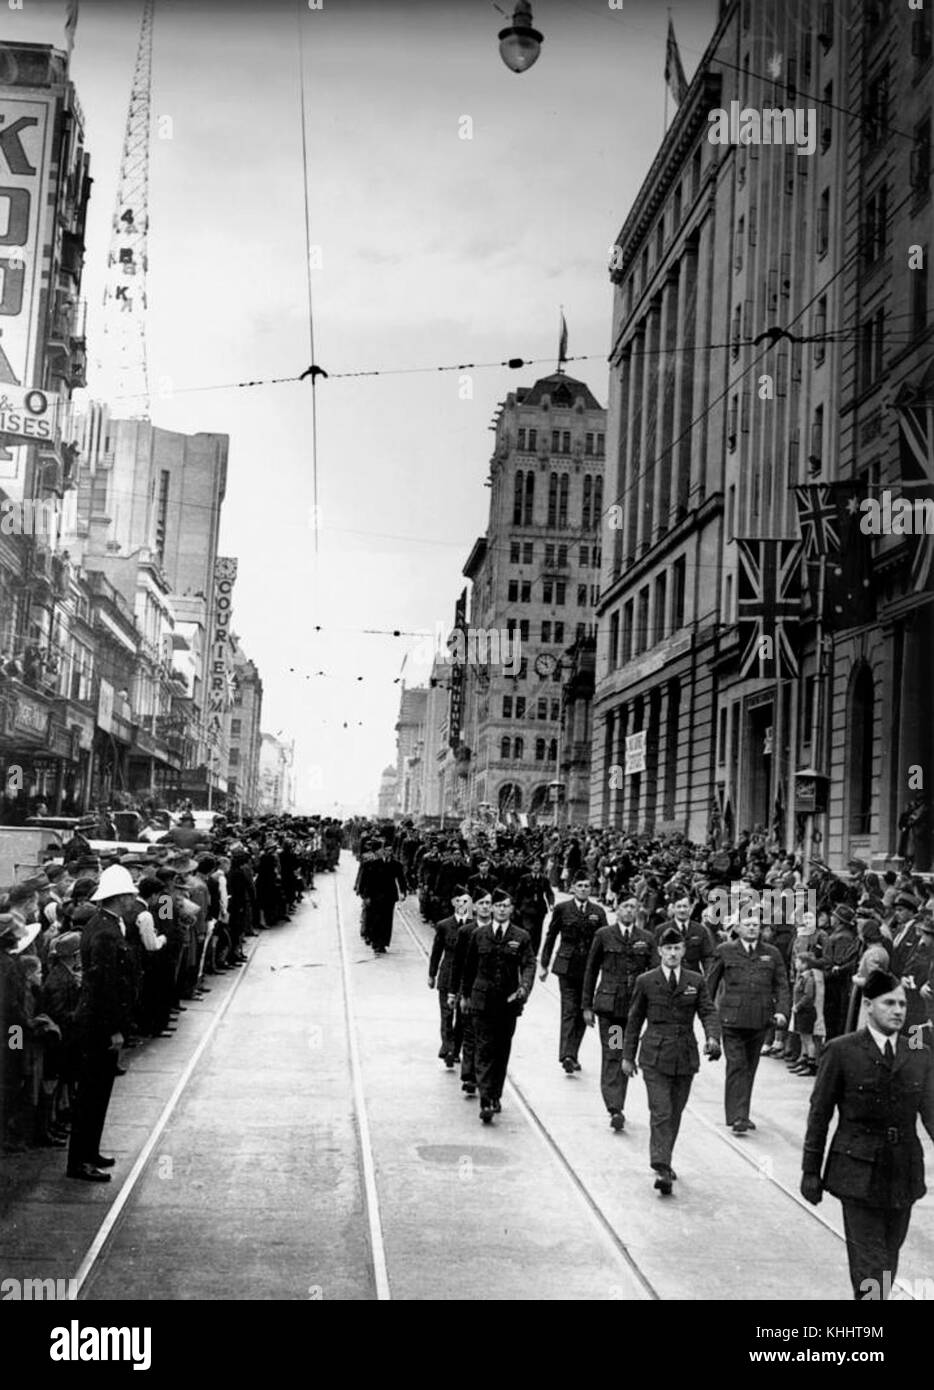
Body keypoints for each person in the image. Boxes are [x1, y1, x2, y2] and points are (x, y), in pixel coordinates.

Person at [801, 970, 934, 1300]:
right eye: (889, 1003)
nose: (898, 1011)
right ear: (869, 1005)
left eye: (903, 1003)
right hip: (856, 1172)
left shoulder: (918, 1053)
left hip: (903, 1171)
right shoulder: (842, 1051)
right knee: (870, 1264)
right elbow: (819, 1115)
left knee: (889, 1258)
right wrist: (810, 1171)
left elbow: (932, 1114)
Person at [622, 925, 721, 1195]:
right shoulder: (646, 981)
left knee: (674, 1113)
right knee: (661, 1111)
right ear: (660, 951)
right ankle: (662, 1166)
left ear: (684, 951)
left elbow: (708, 1012)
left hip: (685, 1056)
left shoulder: (695, 981)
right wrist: (626, 1056)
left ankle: (665, 1157)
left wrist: (713, 1038)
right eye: (668, 949)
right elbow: (633, 1021)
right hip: (654, 1055)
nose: (673, 953)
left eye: (677, 948)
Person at [67, 865, 138, 1182]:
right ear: (119, 897)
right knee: (92, 1095)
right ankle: (80, 1161)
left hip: (96, 1021)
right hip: (99, 1025)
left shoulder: (103, 925)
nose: (132, 901)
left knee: (97, 1093)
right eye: (129, 896)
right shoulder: (106, 933)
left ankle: (89, 1151)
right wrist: (114, 1028)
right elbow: (104, 985)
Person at [706, 904, 790, 1136]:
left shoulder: (772, 953)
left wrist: (782, 1011)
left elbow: (782, 985)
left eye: (756, 925)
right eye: (748, 924)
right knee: (737, 1065)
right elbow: (709, 987)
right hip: (731, 1020)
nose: (752, 928)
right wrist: (709, 1023)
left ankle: (742, 1111)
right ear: (738, 927)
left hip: (760, 1019)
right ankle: (737, 1116)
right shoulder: (725, 950)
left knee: (750, 1067)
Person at [581, 896, 658, 1130]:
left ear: (638, 912)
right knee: (615, 1052)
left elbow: (654, 974)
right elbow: (591, 970)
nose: (628, 911)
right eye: (624, 906)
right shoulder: (604, 935)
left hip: (635, 1009)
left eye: (633, 907)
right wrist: (586, 1005)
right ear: (617, 910)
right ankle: (615, 1106)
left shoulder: (646, 939)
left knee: (628, 1054)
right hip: (612, 1010)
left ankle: (617, 1103)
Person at [460, 888, 535, 1124]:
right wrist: (464, 995)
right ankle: (486, 1099)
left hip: (507, 1004)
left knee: (501, 1051)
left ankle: (495, 1094)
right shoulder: (479, 935)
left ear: (512, 909)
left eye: (506, 905)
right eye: (498, 905)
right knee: (484, 1050)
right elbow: (469, 967)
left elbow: (529, 964)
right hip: (481, 1002)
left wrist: (524, 988)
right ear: (491, 908)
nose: (501, 909)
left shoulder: (521, 937)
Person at [539, 873, 606, 1073]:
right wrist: (544, 963)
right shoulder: (562, 909)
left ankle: (573, 1053)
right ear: (573, 888)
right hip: (566, 966)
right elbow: (551, 936)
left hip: (588, 969)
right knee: (569, 1009)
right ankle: (567, 1055)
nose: (584, 889)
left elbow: (606, 940)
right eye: (580, 885)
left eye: (587, 885)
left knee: (583, 1010)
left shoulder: (598, 912)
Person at [449, 890, 491, 1097]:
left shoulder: (502, 932)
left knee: (485, 1039)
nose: (485, 907)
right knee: (469, 1034)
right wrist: (454, 992)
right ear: (474, 907)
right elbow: (458, 964)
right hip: (470, 991)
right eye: (481, 903)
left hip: (491, 995)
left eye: (488, 903)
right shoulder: (467, 932)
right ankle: (469, 1076)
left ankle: (479, 1076)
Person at [428, 888, 472, 1068]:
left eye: (466, 902)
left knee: (462, 1016)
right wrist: (432, 974)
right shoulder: (444, 925)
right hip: (447, 974)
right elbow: (436, 952)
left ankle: (455, 1050)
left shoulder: (473, 927)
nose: (462, 905)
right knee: (446, 1013)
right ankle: (447, 1045)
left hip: (464, 977)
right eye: (459, 902)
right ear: (454, 903)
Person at [355, 841, 407, 955]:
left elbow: (401, 879)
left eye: (390, 851)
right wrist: (365, 895)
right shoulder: (374, 864)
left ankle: (383, 943)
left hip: (389, 897)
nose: (389, 853)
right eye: (387, 850)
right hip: (375, 896)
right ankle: (375, 942)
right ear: (383, 851)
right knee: (375, 919)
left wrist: (403, 892)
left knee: (387, 921)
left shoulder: (396, 865)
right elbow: (367, 881)